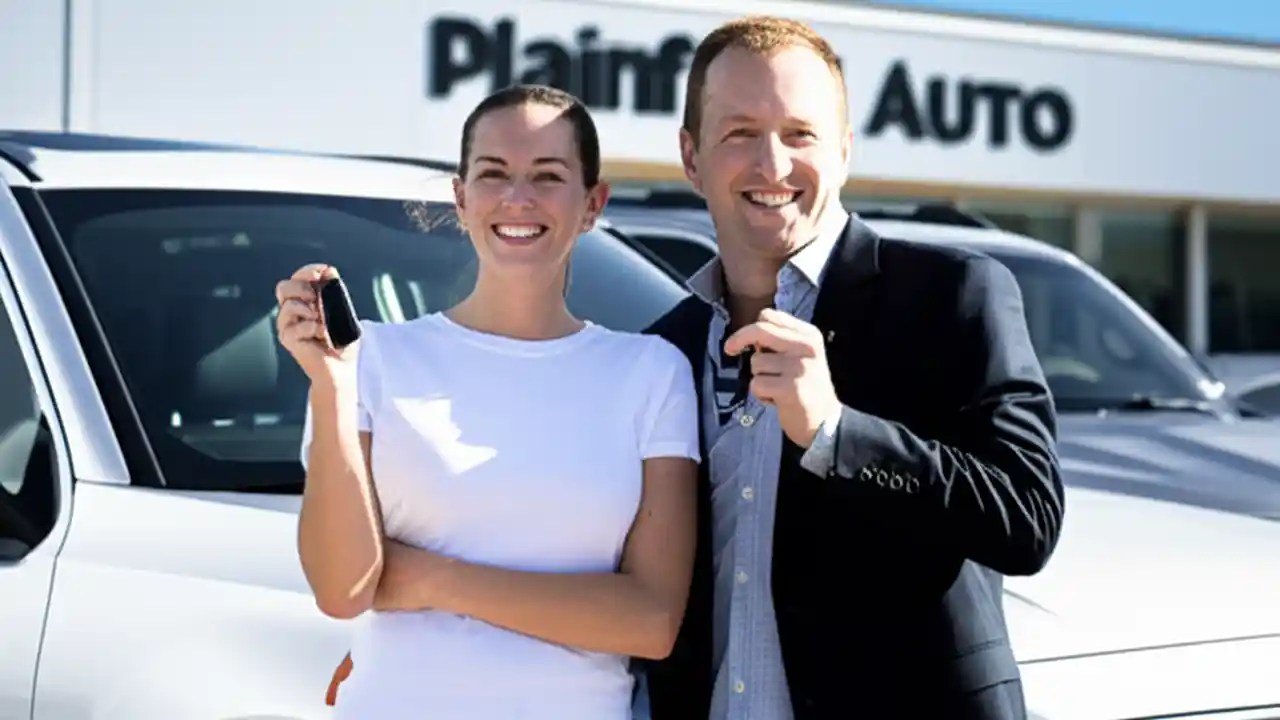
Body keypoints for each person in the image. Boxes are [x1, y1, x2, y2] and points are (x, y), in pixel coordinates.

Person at [637, 15, 1066, 720]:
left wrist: (837, 433)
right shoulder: (664, 350)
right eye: (740, 133)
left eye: (799, 134)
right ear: (692, 156)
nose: (773, 164)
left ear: (842, 151)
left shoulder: (952, 294)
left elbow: (1026, 519)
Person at [274, 84, 700, 719]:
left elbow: (650, 620)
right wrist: (330, 385)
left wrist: (428, 579)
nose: (517, 198)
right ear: (461, 197)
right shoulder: (370, 362)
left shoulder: (650, 372)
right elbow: (344, 590)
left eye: (548, 176)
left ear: (593, 204)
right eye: (493, 174)